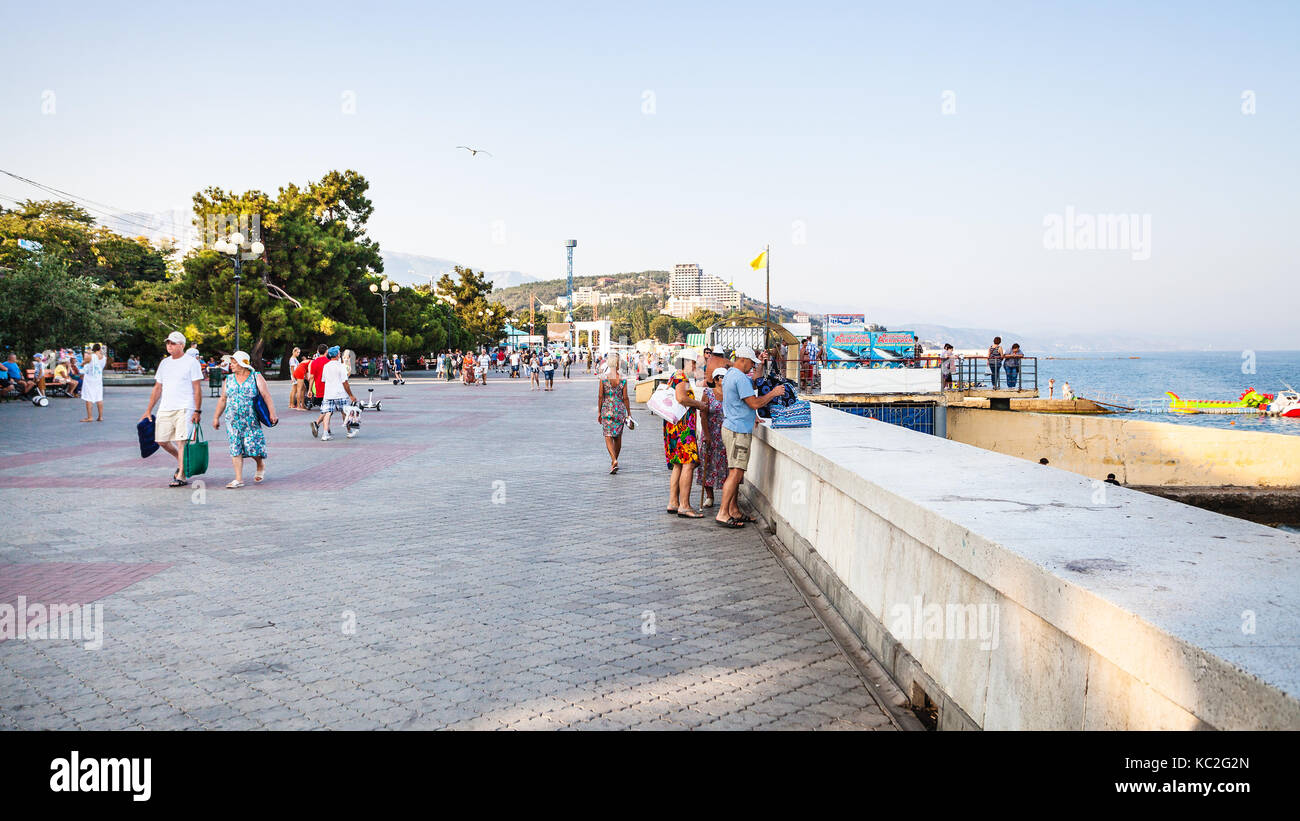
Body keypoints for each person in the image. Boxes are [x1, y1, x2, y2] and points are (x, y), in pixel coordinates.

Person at [715, 346, 785, 529]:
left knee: (734, 472)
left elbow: (750, 384)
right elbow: (754, 402)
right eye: (751, 364)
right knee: (737, 472)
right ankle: (723, 513)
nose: (751, 368)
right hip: (738, 431)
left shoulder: (730, 374)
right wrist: (773, 393)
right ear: (743, 360)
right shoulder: (739, 377)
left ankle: (733, 510)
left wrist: (760, 365)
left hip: (731, 427)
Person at [141, 330, 204, 487]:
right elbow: (157, 388)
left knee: (181, 441)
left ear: (181, 345)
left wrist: (197, 410)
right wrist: (148, 409)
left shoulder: (191, 363)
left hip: (185, 407)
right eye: (168, 343)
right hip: (166, 407)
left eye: (173, 343)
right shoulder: (165, 363)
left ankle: (181, 475)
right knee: (161, 440)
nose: (169, 345)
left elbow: (197, 388)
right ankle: (182, 460)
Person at [212, 350, 277, 487]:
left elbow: (266, 395)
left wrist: (272, 413)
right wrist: (216, 417)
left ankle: (260, 464)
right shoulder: (228, 379)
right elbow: (223, 399)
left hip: (250, 420)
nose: (231, 365)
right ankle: (238, 479)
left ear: (242, 363)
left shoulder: (255, 377)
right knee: (235, 447)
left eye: (234, 362)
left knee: (252, 447)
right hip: (232, 420)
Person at [663, 351, 709, 519]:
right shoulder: (681, 378)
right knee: (688, 464)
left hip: (674, 427)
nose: (695, 367)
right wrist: (699, 404)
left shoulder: (675, 376)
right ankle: (685, 505)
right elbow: (681, 398)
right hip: (682, 429)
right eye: (694, 364)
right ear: (687, 362)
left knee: (678, 465)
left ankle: (673, 502)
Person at [696, 366, 729, 509]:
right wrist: (707, 434)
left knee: (725, 465)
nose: (723, 380)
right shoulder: (708, 393)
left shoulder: (730, 394)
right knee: (707, 464)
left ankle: (727, 497)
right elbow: (703, 414)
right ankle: (709, 496)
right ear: (716, 379)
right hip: (710, 432)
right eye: (721, 377)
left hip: (725, 434)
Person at [312, 346, 356, 441]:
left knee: (327, 413)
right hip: (340, 393)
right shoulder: (341, 366)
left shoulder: (326, 366)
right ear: (337, 355)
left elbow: (323, 380)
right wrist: (351, 395)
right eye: (339, 353)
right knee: (345, 412)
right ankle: (349, 431)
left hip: (328, 393)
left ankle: (325, 434)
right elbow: (345, 382)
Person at [598, 353, 631, 474]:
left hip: (607, 409)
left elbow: (601, 396)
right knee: (618, 437)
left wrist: (599, 412)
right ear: (618, 364)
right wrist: (629, 413)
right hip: (620, 410)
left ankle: (614, 459)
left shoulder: (603, 378)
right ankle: (614, 461)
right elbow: (626, 397)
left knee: (608, 435)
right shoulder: (622, 378)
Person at [79, 344, 108, 422]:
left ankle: (90, 417)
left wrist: (82, 363)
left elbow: (83, 363)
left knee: (89, 397)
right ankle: (100, 416)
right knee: (99, 397)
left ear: (93, 349)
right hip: (98, 379)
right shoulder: (104, 358)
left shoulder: (91, 356)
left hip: (90, 379)